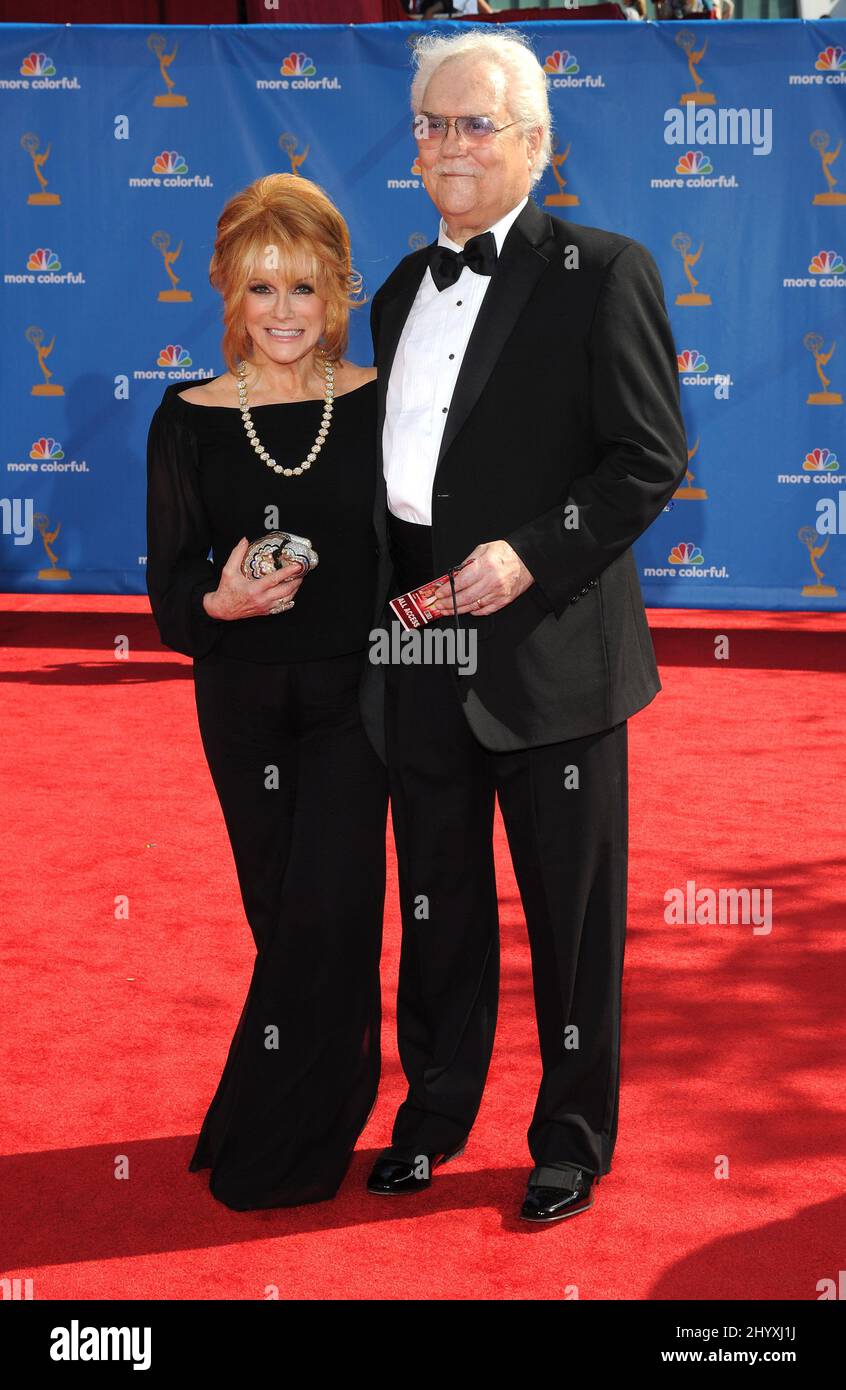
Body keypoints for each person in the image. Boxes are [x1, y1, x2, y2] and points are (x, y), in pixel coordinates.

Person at [359, 28, 688, 1222]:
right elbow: (400, 484)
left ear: (536, 146)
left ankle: (569, 1137)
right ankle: (434, 1113)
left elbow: (646, 461)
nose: (448, 146)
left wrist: (529, 555)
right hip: (420, 650)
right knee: (434, 901)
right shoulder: (396, 290)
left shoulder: (604, 272)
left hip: (553, 651)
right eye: (432, 126)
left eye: (475, 124)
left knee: (570, 915)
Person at [145, 173, 388, 1211]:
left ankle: (298, 1131)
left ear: (336, 289)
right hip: (241, 704)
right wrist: (225, 605)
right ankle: (270, 1103)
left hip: (356, 701)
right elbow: (167, 594)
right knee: (280, 917)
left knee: (332, 909)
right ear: (227, 296)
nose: (281, 312)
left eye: (300, 287)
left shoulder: (376, 401)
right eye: (259, 290)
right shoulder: (187, 417)